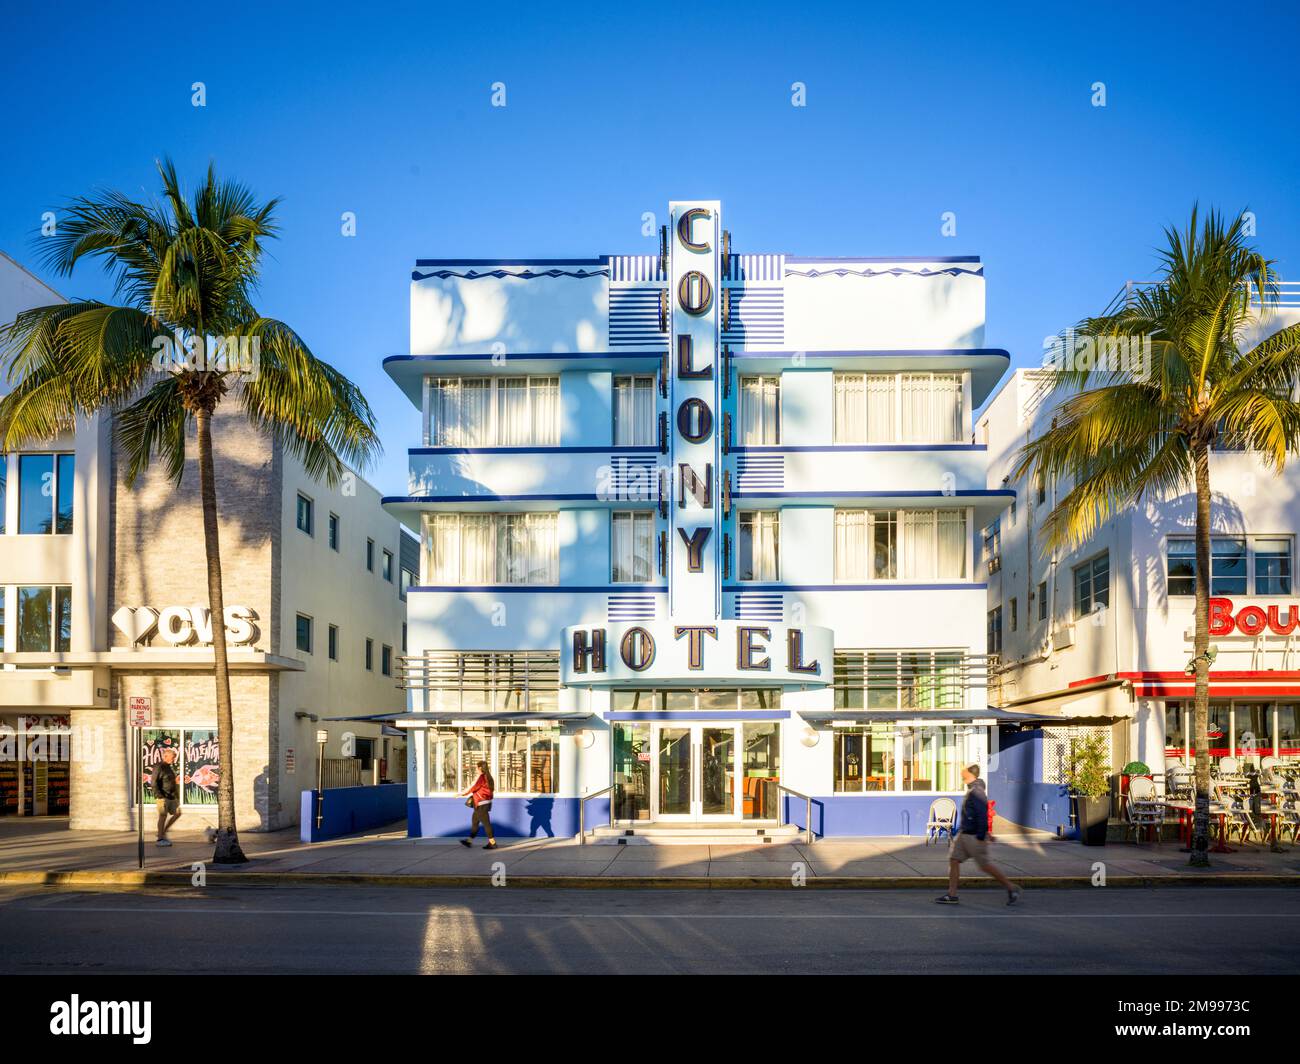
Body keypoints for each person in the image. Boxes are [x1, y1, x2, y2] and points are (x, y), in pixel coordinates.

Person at [936, 764, 1020, 906]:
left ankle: (1011, 888)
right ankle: (952, 895)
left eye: (963, 770)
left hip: (974, 836)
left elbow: (982, 814)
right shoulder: (972, 789)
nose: (961, 771)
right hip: (965, 834)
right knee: (954, 860)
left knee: (984, 865)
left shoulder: (977, 791)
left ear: (970, 774)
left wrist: (982, 836)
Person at [460, 760, 497, 849]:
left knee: (486, 824)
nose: (476, 769)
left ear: (480, 768)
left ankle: (492, 843)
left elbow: (474, 788)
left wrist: (462, 794)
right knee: (475, 823)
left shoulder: (482, 777)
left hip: (481, 804)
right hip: (483, 803)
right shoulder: (489, 777)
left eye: (477, 767)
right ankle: (469, 841)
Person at [151, 746, 182, 847]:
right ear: (165, 756)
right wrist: (159, 795)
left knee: (178, 813)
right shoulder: (159, 766)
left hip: (171, 796)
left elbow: (168, 780)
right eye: (173, 757)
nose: (174, 759)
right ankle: (160, 839)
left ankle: (163, 832)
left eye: (174, 757)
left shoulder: (168, 767)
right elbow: (154, 782)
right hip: (162, 796)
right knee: (163, 816)